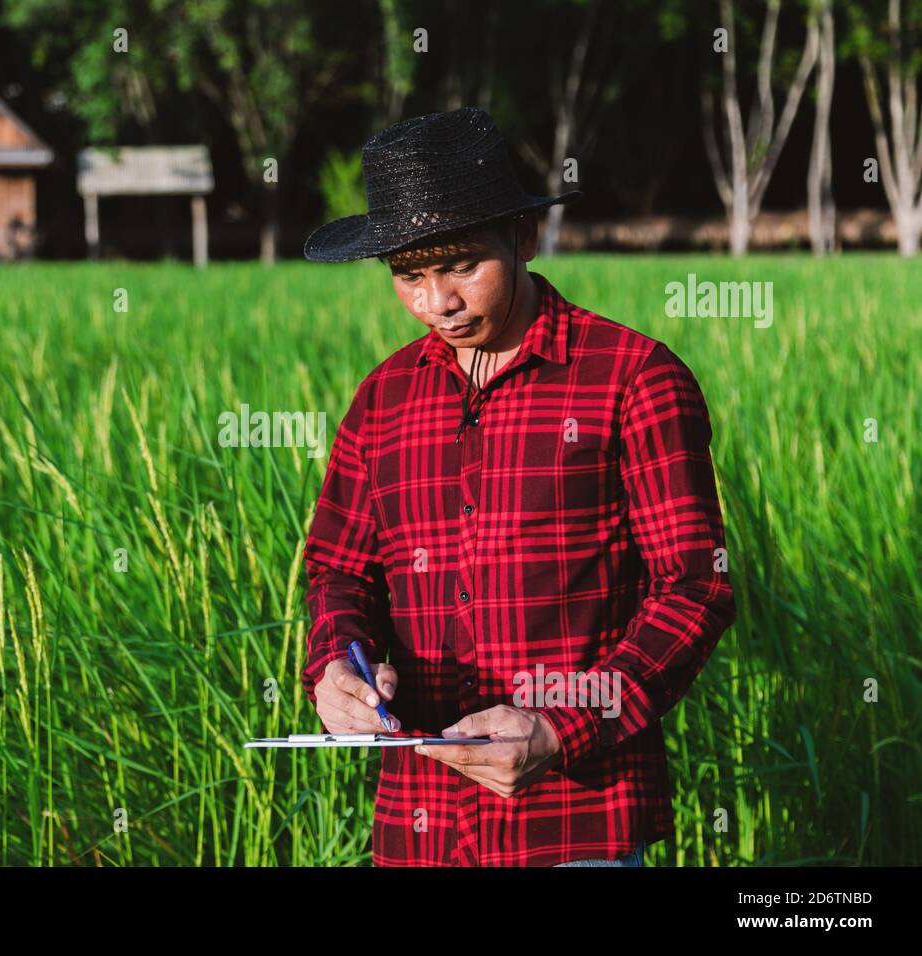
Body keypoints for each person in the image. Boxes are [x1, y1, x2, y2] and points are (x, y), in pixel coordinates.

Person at [299, 107, 737, 867]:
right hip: (420, 824)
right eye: (410, 276)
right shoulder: (383, 400)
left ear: (524, 238)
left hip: (577, 820)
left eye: (463, 264)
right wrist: (338, 664)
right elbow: (339, 570)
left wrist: (563, 727)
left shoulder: (631, 379)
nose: (439, 302)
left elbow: (696, 586)